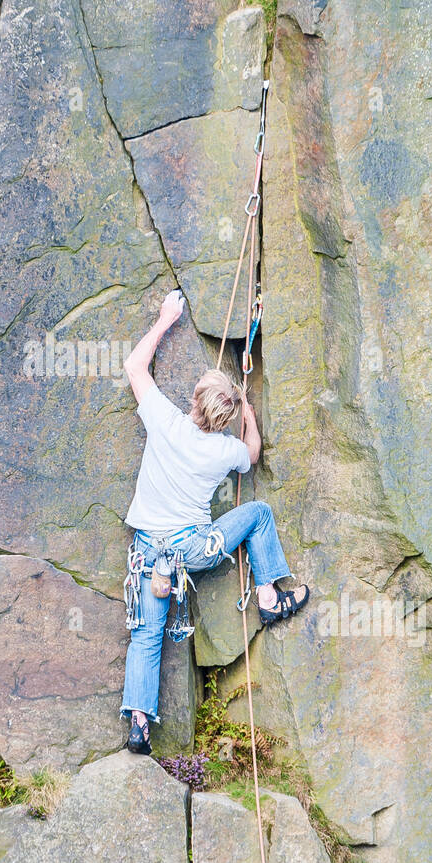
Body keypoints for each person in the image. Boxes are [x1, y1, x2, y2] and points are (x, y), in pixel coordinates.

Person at [121, 290, 309, 756]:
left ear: (193, 400)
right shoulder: (224, 449)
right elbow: (251, 454)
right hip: (195, 551)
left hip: (150, 554)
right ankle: (268, 595)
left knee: (146, 635)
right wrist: (248, 417)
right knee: (259, 514)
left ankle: (140, 724)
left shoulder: (164, 421)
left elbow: (133, 368)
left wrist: (166, 318)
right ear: (223, 420)